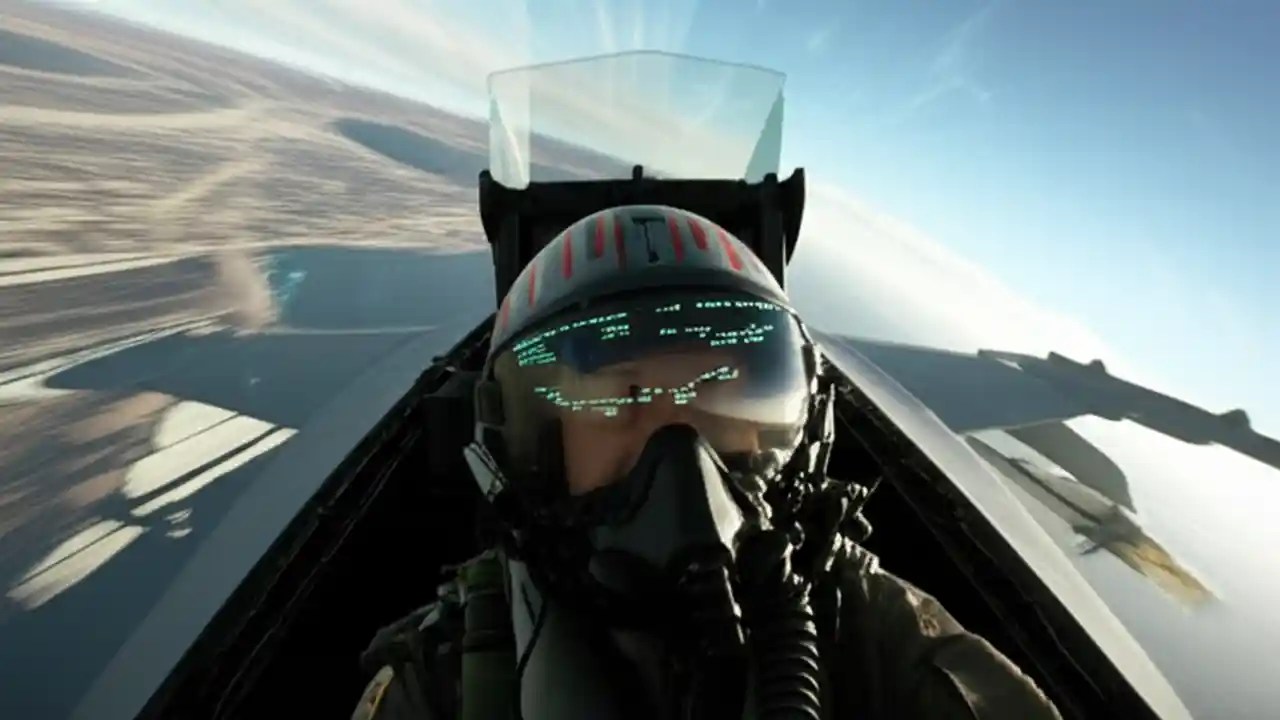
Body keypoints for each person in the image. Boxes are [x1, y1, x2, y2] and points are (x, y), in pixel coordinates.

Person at [353, 205, 1063, 720]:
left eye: (717, 397)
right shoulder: (446, 675)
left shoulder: (880, 632)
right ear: (528, 454)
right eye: (617, 400)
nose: (682, 461)